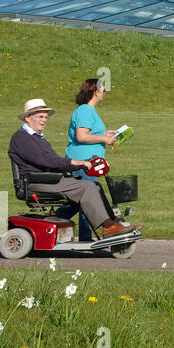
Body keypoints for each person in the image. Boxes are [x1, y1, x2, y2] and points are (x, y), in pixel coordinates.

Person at [8, 98, 140, 239]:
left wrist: (74, 165)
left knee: (94, 185)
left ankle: (113, 223)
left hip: (47, 180)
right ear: (27, 118)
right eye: (40, 116)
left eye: (46, 117)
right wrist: (76, 162)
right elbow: (46, 161)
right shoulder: (22, 138)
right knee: (87, 187)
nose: (44, 120)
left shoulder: (37, 137)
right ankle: (108, 227)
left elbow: (50, 161)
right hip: (36, 182)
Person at [64, 78, 117, 239]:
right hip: (83, 163)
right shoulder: (85, 111)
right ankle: (85, 237)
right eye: (102, 90)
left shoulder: (88, 110)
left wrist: (105, 134)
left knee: (77, 202)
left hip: (89, 162)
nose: (104, 93)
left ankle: (53, 223)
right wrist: (104, 139)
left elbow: (88, 132)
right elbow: (81, 136)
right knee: (87, 199)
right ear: (96, 92)